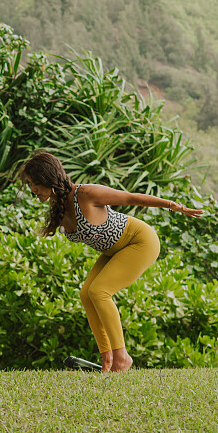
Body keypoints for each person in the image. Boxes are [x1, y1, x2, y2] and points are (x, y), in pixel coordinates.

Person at [19, 151, 202, 373]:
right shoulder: (59, 207)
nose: (32, 189)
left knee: (99, 291)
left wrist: (173, 205)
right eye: (30, 184)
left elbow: (130, 197)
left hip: (140, 241)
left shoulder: (85, 193)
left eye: (34, 182)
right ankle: (107, 360)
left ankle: (122, 357)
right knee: (87, 293)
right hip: (113, 251)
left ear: (48, 177)